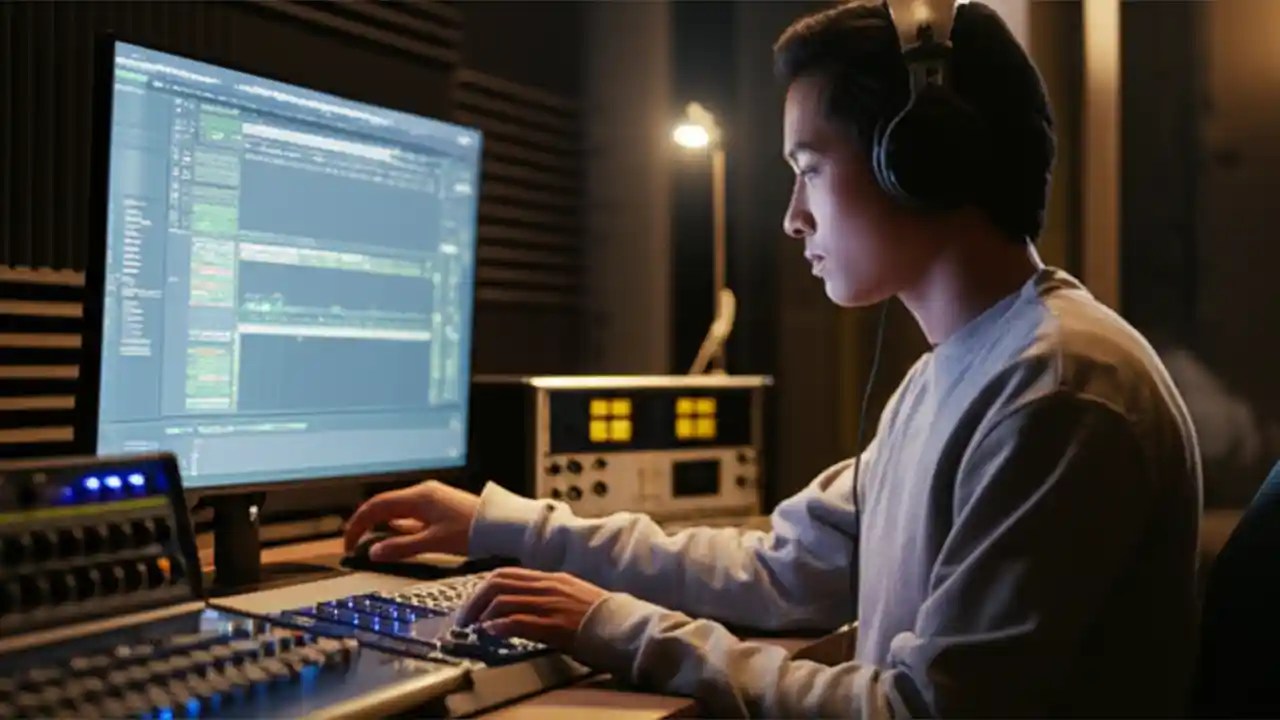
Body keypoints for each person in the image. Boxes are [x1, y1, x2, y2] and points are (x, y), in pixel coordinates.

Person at [344, 1, 1203, 716]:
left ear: (915, 161)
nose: (794, 217)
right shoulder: (960, 372)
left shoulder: (1058, 391)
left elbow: (919, 711)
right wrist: (505, 526)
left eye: (810, 169)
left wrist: (622, 629)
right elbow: (778, 570)